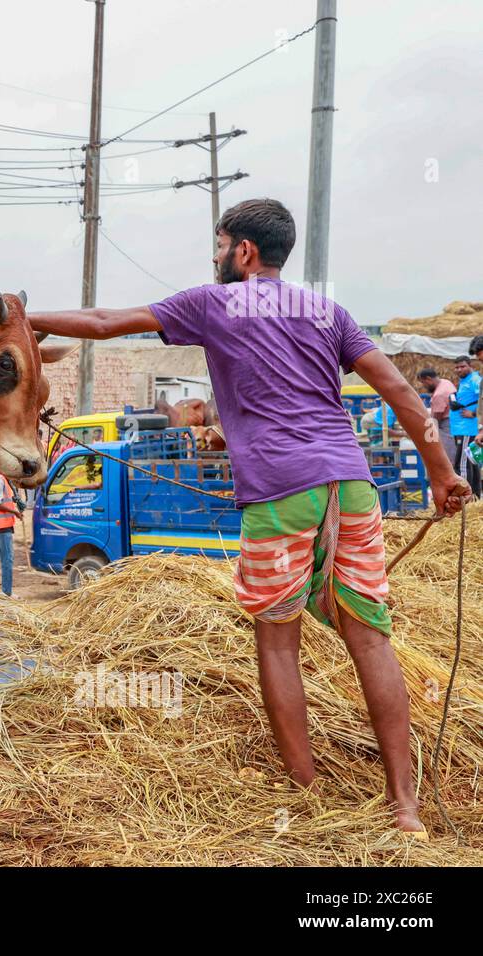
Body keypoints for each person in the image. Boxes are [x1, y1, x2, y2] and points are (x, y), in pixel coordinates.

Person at [30, 197, 471, 834]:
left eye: (218, 245)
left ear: (243, 252)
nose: (213, 257)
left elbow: (102, 321)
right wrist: (440, 473)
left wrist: (21, 313)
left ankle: (304, 791)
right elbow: (400, 392)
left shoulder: (213, 305)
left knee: (278, 640)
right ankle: (406, 807)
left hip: (279, 490)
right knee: (371, 637)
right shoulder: (327, 311)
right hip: (351, 486)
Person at [448, 355, 481, 496]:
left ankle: (464, 497)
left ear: (470, 366)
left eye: (462, 366)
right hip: (461, 428)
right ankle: (474, 496)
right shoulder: (464, 381)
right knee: (471, 463)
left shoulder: (475, 380)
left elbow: (482, 398)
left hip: (467, 428)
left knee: (462, 464)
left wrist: (473, 413)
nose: (459, 369)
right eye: (457, 367)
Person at [417, 368, 457, 468]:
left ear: (428, 379)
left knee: (449, 457)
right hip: (454, 421)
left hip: (446, 425)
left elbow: (436, 419)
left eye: (423, 382)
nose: (424, 386)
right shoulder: (446, 382)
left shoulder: (439, 394)